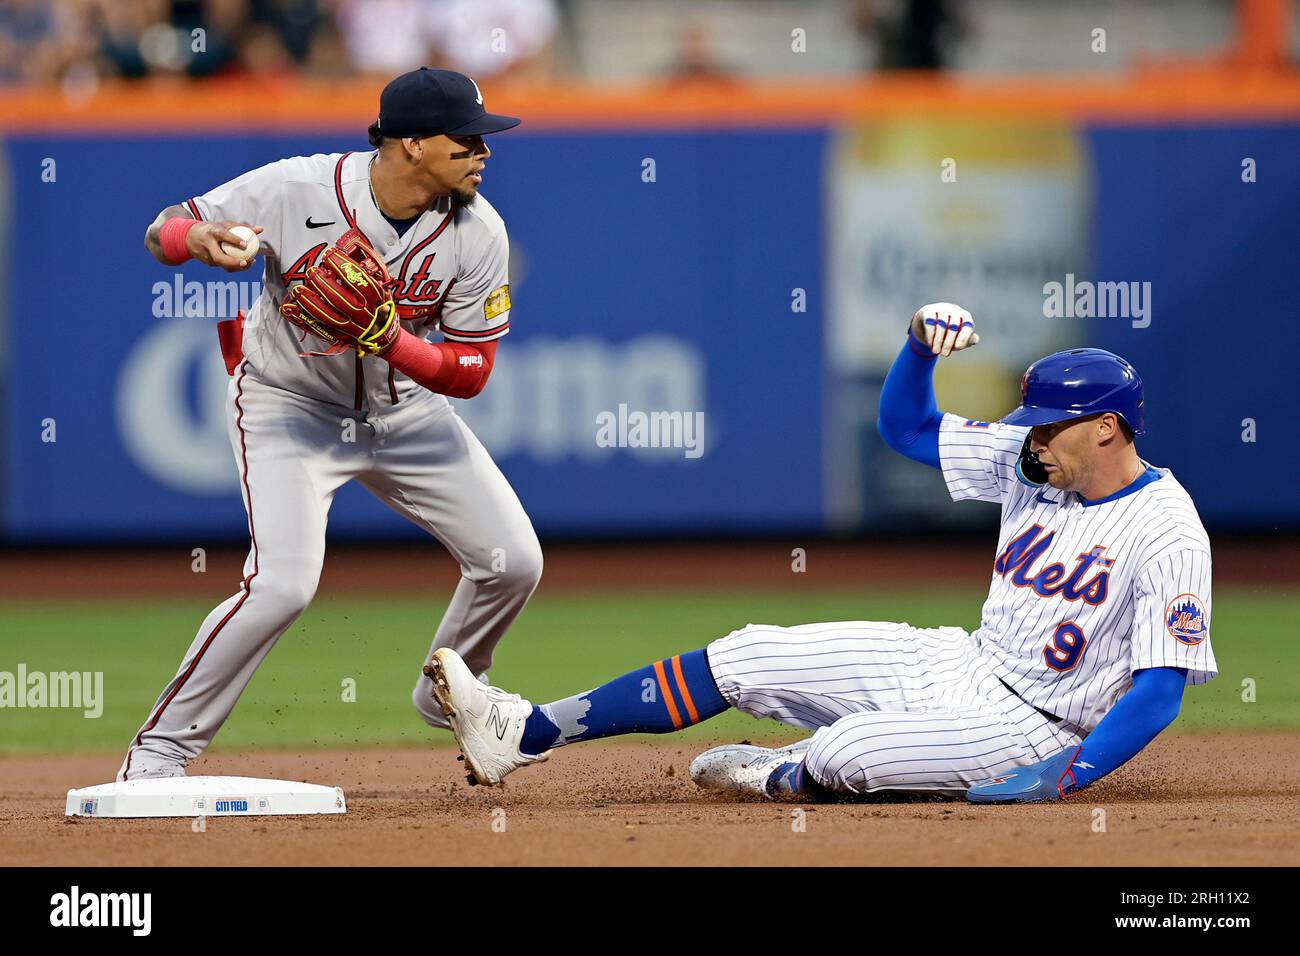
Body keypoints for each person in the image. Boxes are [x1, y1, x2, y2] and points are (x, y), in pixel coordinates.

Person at [425, 303, 1216, 802]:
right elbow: (907, 429)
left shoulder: (1169, 529)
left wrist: (1068, 774)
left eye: (1049, 422)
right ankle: (524, 732)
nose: (1030, 432)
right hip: (962, 663)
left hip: (1036, 726)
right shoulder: (1033, 463)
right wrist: (917, 350)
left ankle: (781, 769)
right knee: (748, 656)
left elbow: (1158, 693)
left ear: (1107, 428)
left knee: (846, 751)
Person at [120, 68, 541, 780]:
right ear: (410, 143)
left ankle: (451, 695)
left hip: (405, 412)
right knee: (283, 585)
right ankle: (159, 753)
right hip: (290, 406)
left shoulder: (479, 232)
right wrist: (198, 239)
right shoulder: (297, 189)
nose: (483, 151)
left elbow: (471, 374)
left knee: (514, 562)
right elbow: (161, 228)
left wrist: (392, 342)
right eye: (466, 138)